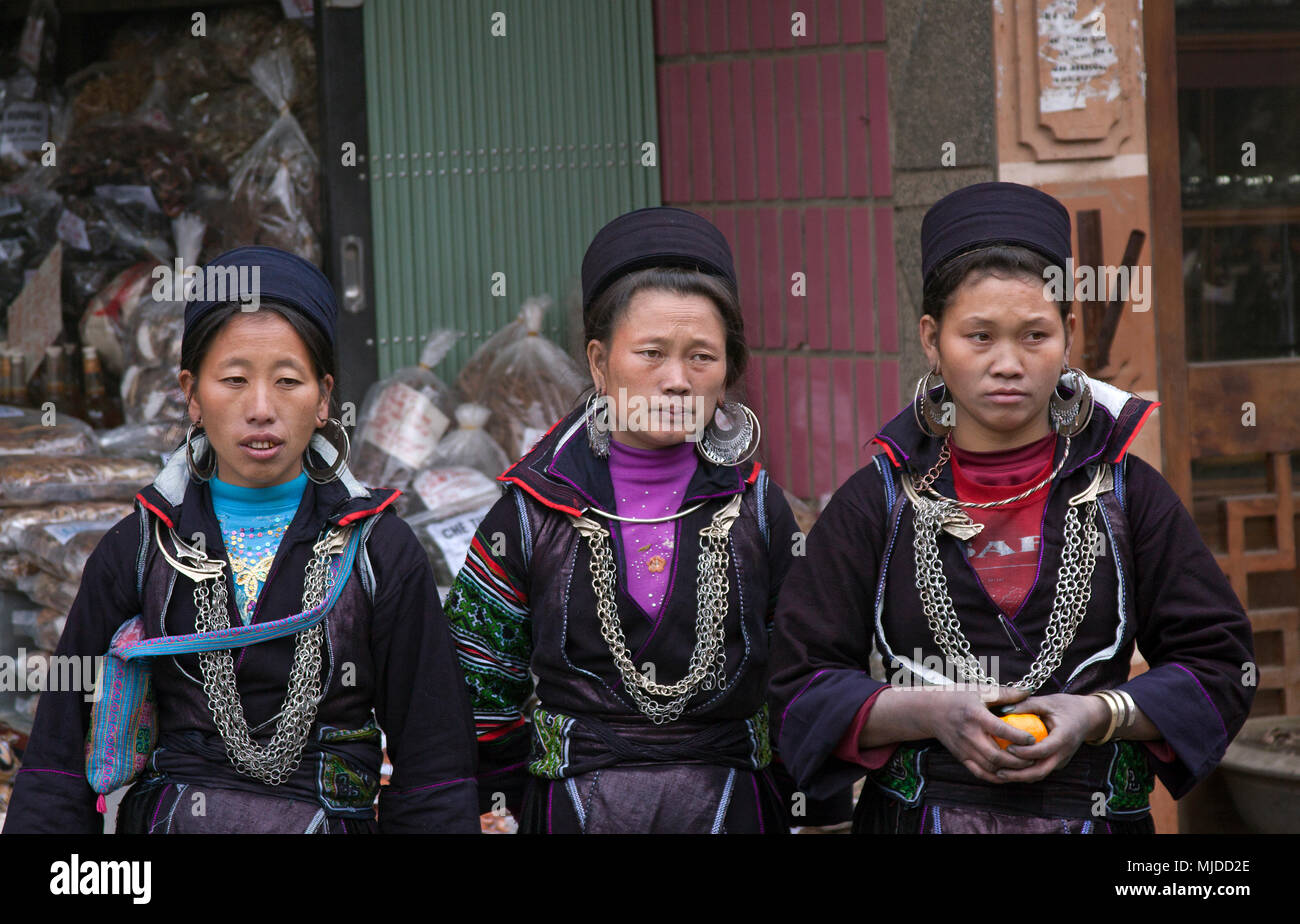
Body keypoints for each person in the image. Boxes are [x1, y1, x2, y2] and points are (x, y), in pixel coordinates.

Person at [768, 182, 1256, 834]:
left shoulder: (1126, 495)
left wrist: (1099, 714)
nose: (1007, 364)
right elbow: (798, 683)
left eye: (1034, 335)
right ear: (932, 339)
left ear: (1069, 335)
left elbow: (1220, 664)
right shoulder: (876, 502)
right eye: (978, 336)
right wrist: (927, 713)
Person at [6, 246, 480, 833]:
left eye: (288, 381)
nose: (261, 408)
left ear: (325, 396)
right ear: (192, 394)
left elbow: (435, 759)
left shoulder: (380, 552)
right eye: (233, 380)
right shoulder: (139, 548)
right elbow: (57, 751)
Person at [445, 207, 808, 833]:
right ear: (598, 361)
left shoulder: (761, 509)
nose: (675, 381)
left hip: (735, 809)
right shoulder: (530, 513)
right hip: (575, 813)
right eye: (650, 353)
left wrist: (811, 806)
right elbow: (479, 688)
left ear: (728, 374)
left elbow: (800, 675)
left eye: (702, 357)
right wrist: (492, 803)